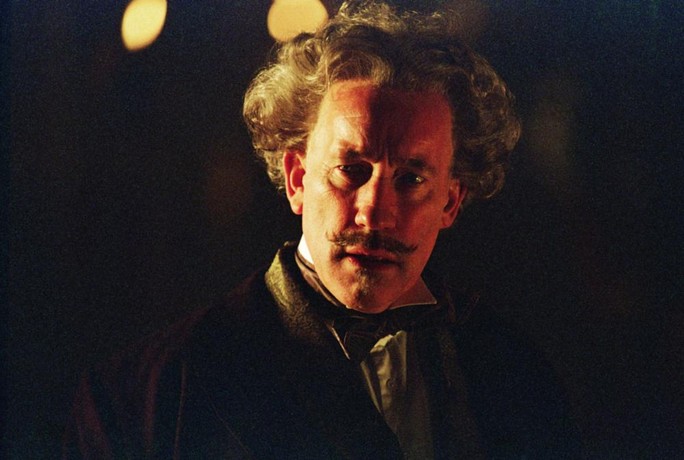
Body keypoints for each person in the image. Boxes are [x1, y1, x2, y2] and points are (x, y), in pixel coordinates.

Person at [64, 1, 580, 458]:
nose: (374, 213)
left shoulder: (517, 379)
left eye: (411, 179)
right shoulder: (148, 396)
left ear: (451, 200)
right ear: (296, 178)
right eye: (351, 171)